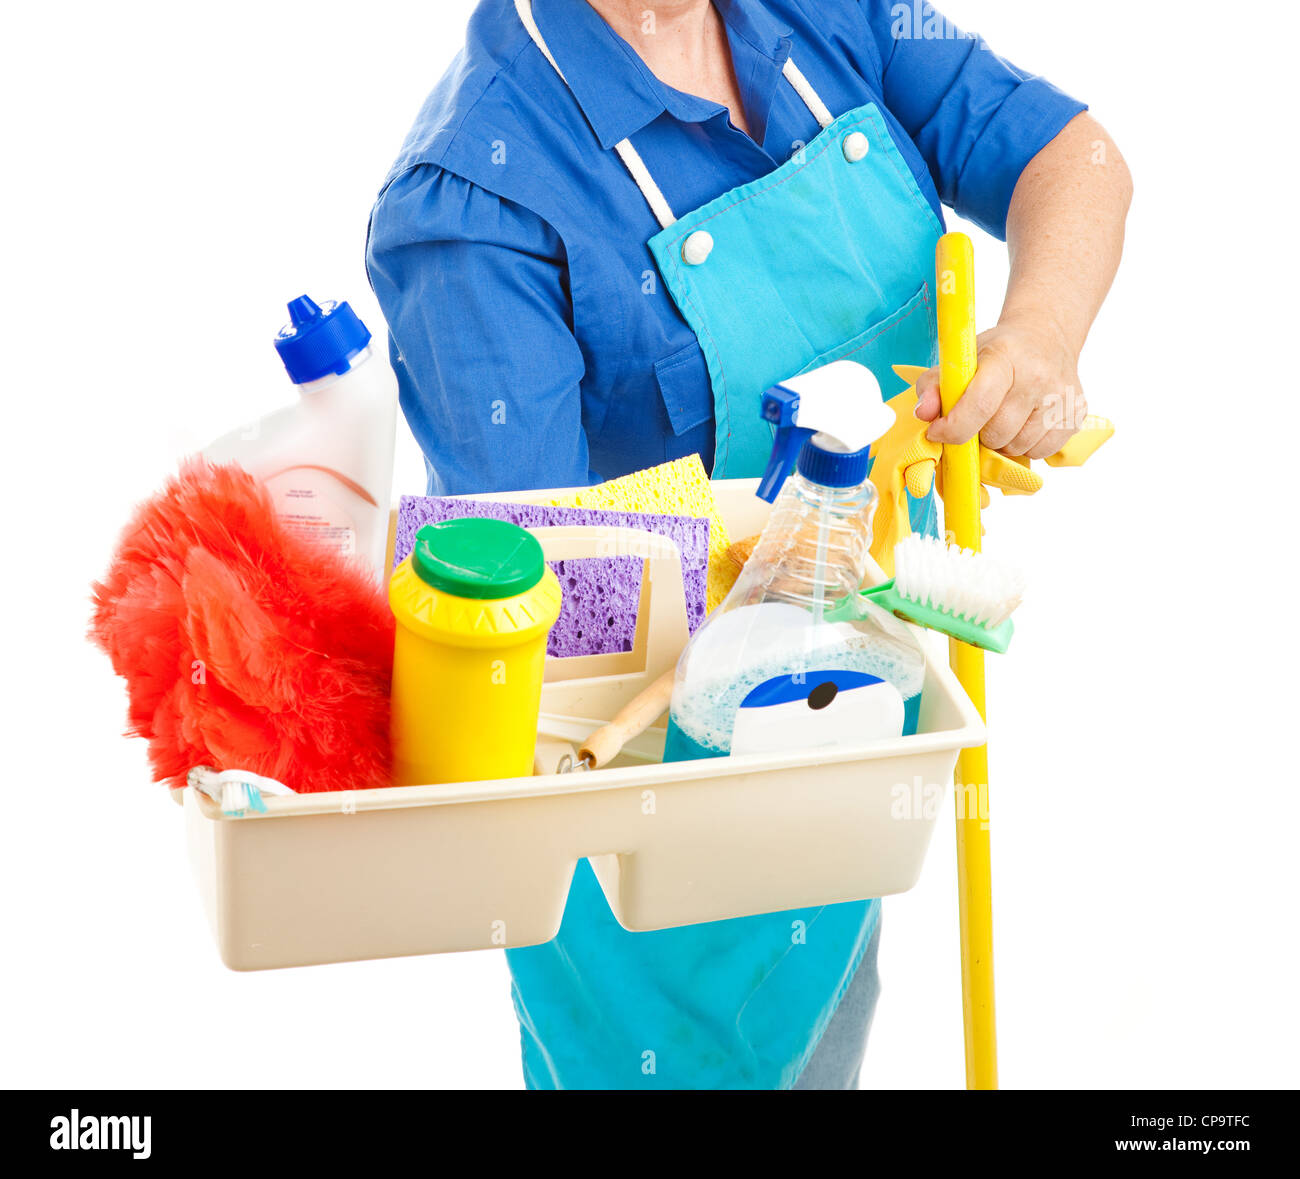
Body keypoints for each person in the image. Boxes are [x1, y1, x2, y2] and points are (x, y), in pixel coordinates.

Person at [366, 0, 1131, 1090]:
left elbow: (1075, 155)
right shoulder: (475, 198)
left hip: (854, 733)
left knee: (828, 1036)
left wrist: (1039, 340)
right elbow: (525, 611)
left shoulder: (823, 13)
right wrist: (777, 548)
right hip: (652, 829)